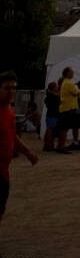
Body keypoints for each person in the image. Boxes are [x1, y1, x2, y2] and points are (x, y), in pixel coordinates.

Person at [0, 71, 38, 226]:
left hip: (4, 171)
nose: (11, 91)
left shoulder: (9, 110)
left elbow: (12, 135)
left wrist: (28, 152)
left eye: (14, 88)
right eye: (7, 88)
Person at [56, 66, 79, 153]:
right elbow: (77, 93)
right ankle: (61, 147)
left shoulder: (66, 82)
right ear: (68, 73)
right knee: (64, 128)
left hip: (65, 108)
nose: (73, 73)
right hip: (68, 108)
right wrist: (77, 87)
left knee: (63, 128)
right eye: (72, 72)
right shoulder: (69, 83)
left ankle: (60, 146)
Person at [43, 81, 60, 151]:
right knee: (50, 131)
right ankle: (48, 146)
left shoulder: (49, 96)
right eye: (56, 86)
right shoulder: (52, 96)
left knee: (49, 131)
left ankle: (47, 145)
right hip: (52, 115)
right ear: (53, 88)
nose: (57, 87)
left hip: (50, 115)